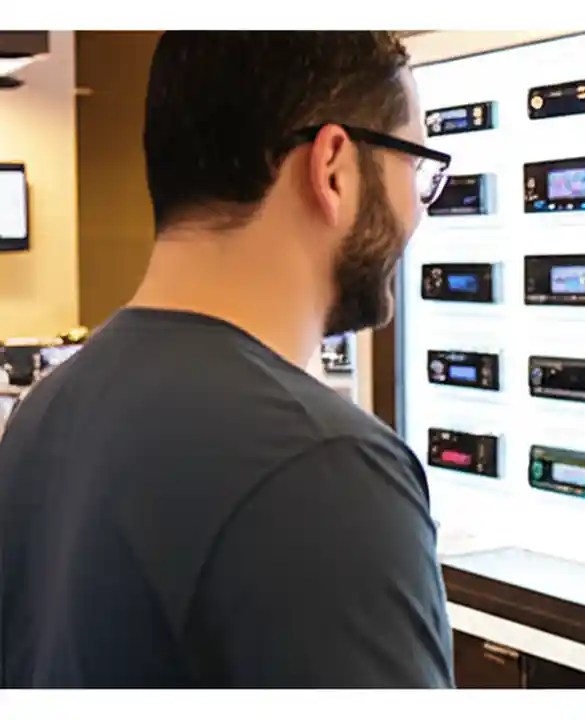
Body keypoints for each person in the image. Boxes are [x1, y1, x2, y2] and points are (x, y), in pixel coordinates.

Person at [0, 31, 456, 688]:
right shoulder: (325, 468)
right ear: (333, 167)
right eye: (416, 166)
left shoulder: (47, 410)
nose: (418, 209)